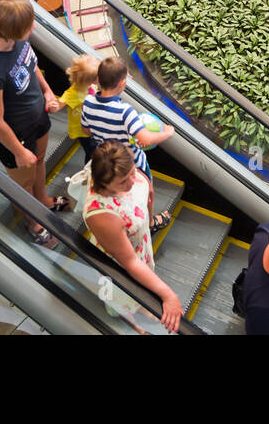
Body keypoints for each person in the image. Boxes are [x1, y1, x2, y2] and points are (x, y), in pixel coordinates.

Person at [0, 0, 67, 245]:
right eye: (29, 26)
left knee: (39, 166)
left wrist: (48, 91)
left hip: (38, 118)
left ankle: (44, 201)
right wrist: (17, 150)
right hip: (15, 135)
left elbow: (32, 64)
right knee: (23, 184)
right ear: (12, 32)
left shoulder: (17, 43)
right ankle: (32, 221)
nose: (33, 28)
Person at [82, 141, 182, 332]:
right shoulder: (103, 214)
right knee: (120, 295)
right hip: (120, 260)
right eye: (122, 181)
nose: (131, 182)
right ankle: (128, 318)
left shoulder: (126, 171)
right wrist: (168, 295)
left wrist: (149, 220)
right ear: (103, 183)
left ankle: (141, 308)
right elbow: (129, 262)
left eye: (132, 173)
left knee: (141, 285)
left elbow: (148, 193)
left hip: (138, 245)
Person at [82, 55, 174, 229]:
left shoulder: (88, 102)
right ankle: (150, 222)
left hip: (107, 161)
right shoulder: (125, 111)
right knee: (149, 192)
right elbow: (145, 138)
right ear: (122, 83)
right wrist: (167, 133)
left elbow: (86, 130)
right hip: (133, 163)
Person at [60, 54, 100, 160]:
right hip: (83, 130)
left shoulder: (90, 85)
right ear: (88, 80)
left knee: (95, 148)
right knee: (91, 152)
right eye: (98, 76)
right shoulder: (73, 93)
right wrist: (54, 106)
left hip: (92, 125)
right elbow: (61, 102)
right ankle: (89, 169)